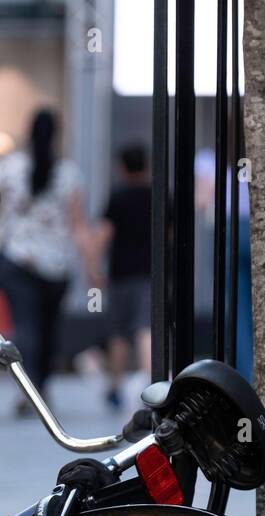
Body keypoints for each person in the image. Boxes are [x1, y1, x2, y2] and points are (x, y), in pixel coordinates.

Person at [0, 109, 86, 408]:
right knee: (48, 329)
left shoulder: (11, 167)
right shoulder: (69, 173)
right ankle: (40, 389)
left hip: (18, 259)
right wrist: (94, 267)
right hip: (57, 266)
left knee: (25, 327)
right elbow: (77, 225)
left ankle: (27, 389)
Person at [85, 143, 152, 409]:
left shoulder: (118, 197)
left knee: (119, 332)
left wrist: (93, 267)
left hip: (121, 273)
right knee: (146, 328)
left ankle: (115, 386)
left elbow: (103, 234)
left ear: (122, 168)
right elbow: (170, 235)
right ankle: (151, 384)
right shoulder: (155, 196)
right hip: (149, 273)